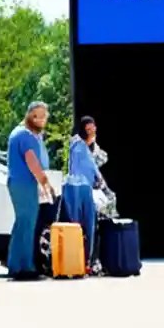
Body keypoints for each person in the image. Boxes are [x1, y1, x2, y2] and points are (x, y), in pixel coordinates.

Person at [6, 101, 51, 280]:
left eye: (43, 117)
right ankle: (24, 267)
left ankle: (17, 264)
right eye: (37, 116)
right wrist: (45, 182)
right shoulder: (26, 136)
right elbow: (32, 161)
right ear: (30, 116)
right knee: (26, 223)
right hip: (24, 184)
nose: (40, 120)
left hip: (20, 183)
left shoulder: (21, 134)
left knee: (22, 223)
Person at [65, 116, 98, 270]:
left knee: (89, 225)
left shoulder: (88, 146)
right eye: (89, 129)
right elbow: (83, 168)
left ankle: (88, 262)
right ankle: (79, 260)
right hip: (77, 188)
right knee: (78, 225)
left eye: (93, 128)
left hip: (86, 188)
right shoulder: (78, 145)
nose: (92, 132)